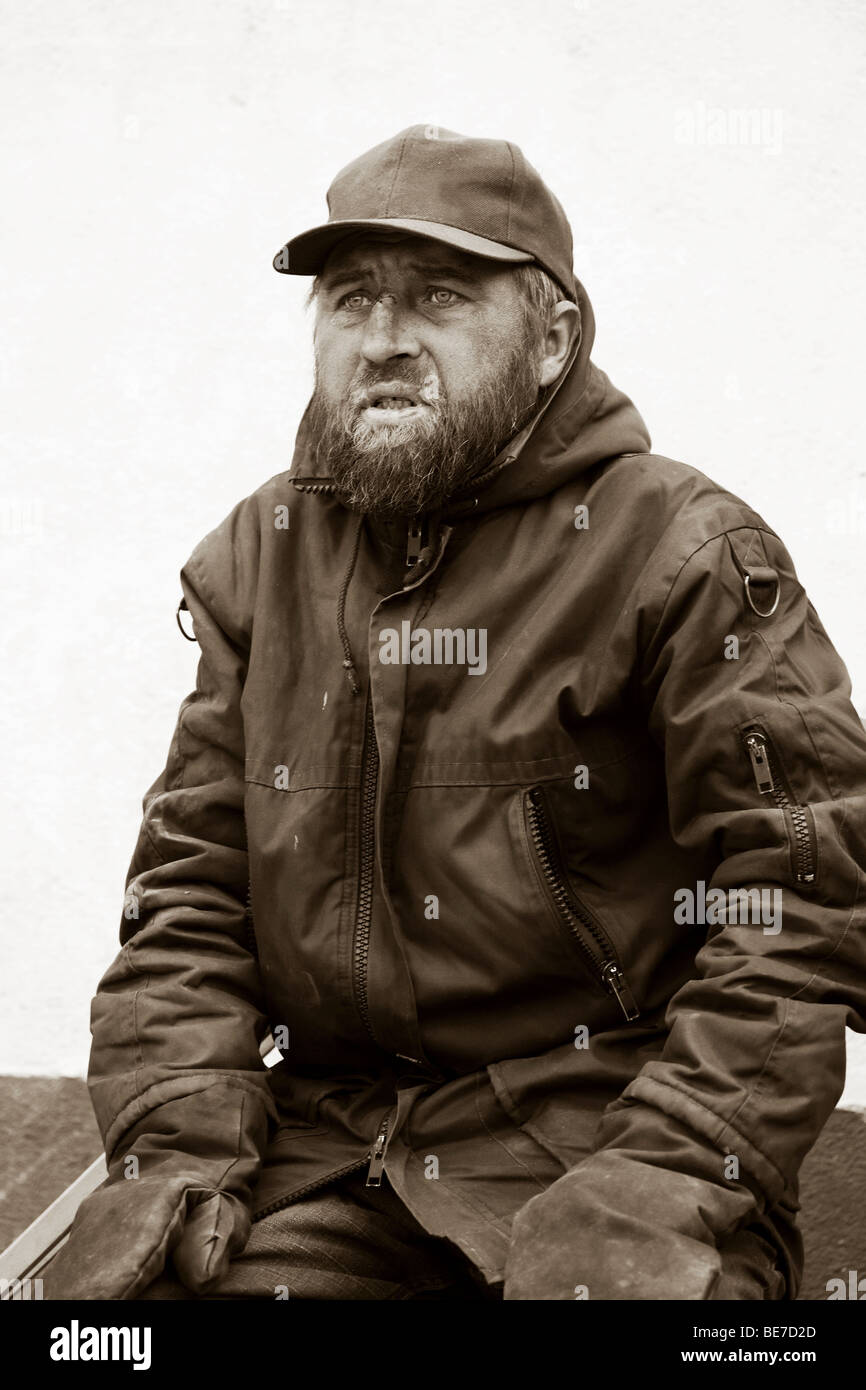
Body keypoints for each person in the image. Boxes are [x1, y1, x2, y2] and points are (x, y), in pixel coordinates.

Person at [44, 125, 866, 1301]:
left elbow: (799, 902)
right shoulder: (257, 559)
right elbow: (187, 899)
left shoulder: (683, 554)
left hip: (609, 1152)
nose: (382, 341)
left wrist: (665, 1171)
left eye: (436, 295)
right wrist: (180, 1140)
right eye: (347, 299)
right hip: (327, 1154)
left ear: (551, 340)